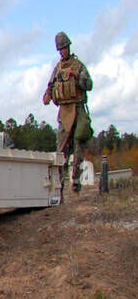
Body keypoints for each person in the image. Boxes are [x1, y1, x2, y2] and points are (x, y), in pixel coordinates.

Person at [42, 31, 93, 195]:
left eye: (65, 47)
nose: (64, 50)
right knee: (61, 150)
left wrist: (75, 74)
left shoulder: (78, 65)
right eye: (61, 49)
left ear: (69, 47)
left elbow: (89, 84)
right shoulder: (57, 69)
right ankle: (59, 187)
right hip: (64, 112)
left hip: (78, 110)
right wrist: (47, 94)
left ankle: (76, 183)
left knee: (78, 146)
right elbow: (50, 85)